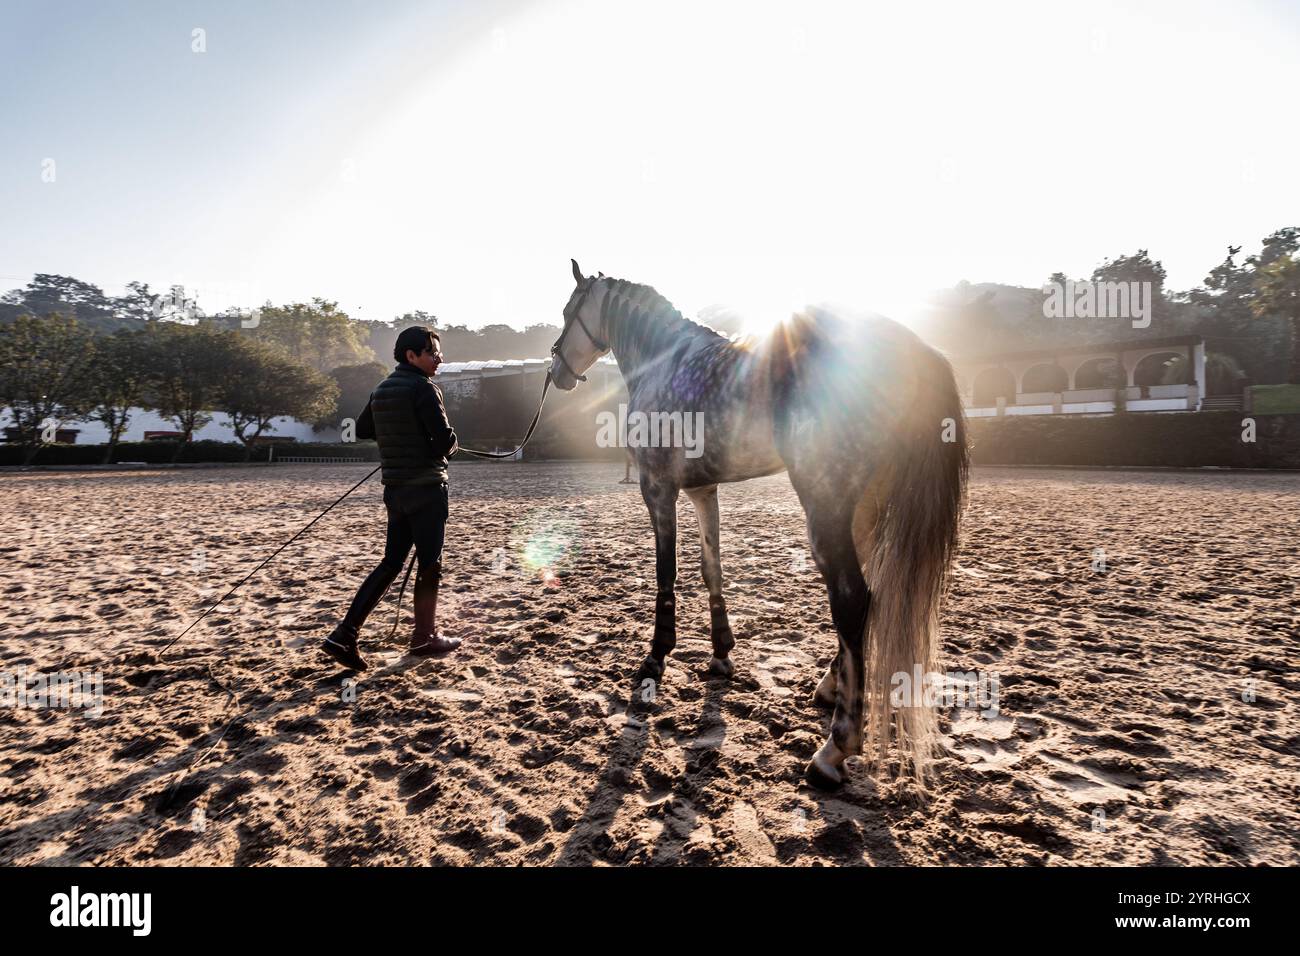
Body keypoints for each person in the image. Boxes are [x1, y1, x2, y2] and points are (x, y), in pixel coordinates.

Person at [321, 326, 461, 670]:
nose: (438, 358)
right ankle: (425, 637)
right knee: (430, 564)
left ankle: (345, 634)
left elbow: (365, 429)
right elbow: (445, 444)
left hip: (395, 490)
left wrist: (401, 435)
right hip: (427, 489)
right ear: (411, 356)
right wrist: (446, 443)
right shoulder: (425, 388)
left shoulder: (381, 388)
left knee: (390, 563)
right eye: (432, 352)